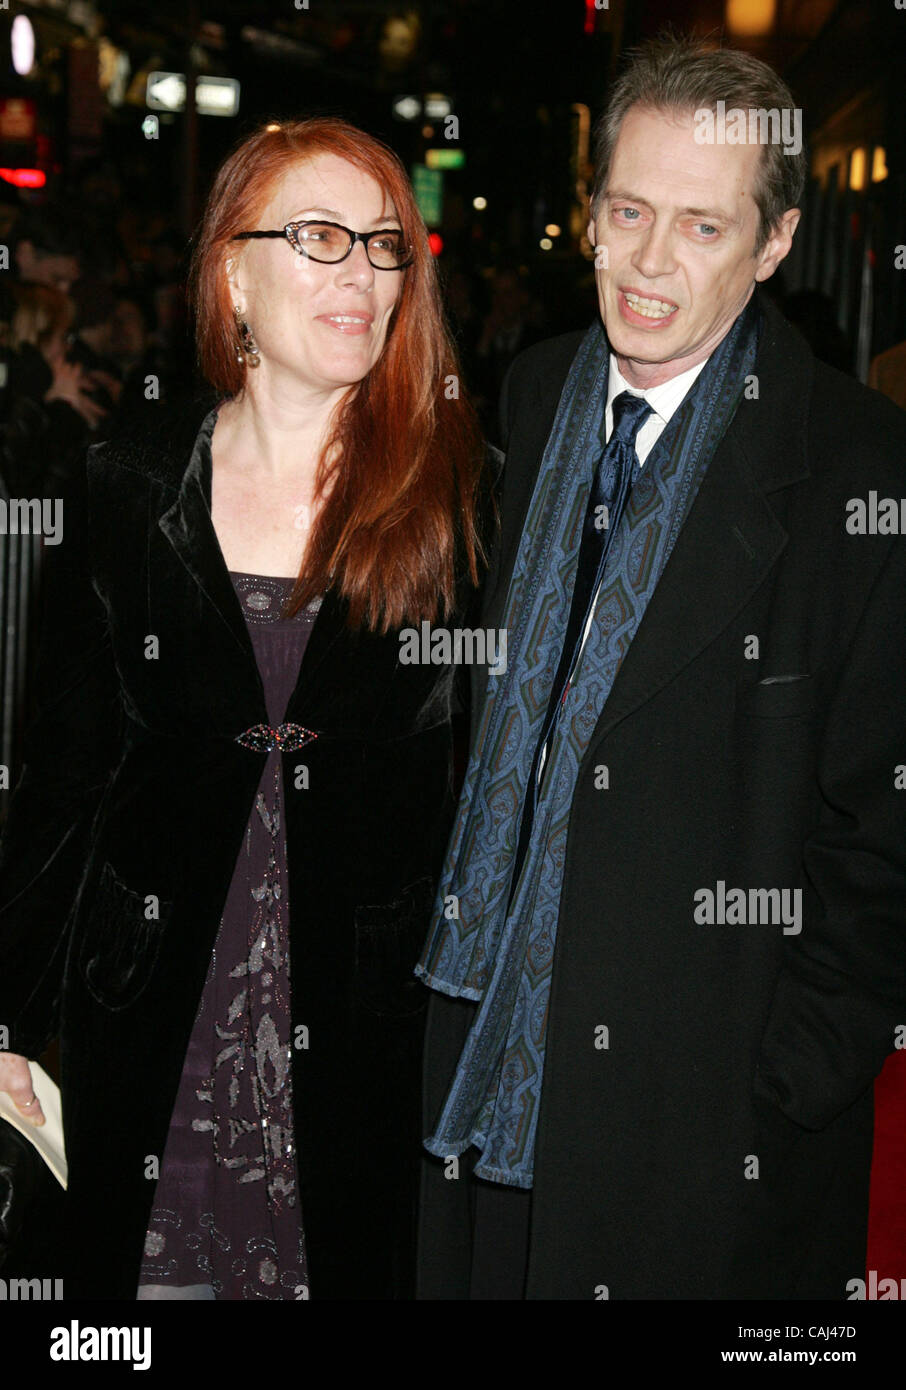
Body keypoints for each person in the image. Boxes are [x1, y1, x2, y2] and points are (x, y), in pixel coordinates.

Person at [416, 35, 906, 1300]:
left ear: (777, 241)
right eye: (629, 211)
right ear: (590, 214)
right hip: (483, 1053)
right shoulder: (530, 399)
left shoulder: (863, 470)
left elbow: (886, 828)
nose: (646, 262)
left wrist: (780, 1077)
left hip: (701, 1127)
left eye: (701, 225)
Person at [0, 116, 489, 1300]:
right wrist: (6, 1020)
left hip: (360, 1038)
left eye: (383, 245)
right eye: (319, 237)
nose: (361, 272)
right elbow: (63, 779)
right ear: (232, 269)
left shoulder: (460, 501)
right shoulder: (124, 482)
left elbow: (484, 791)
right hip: (150, 1014)